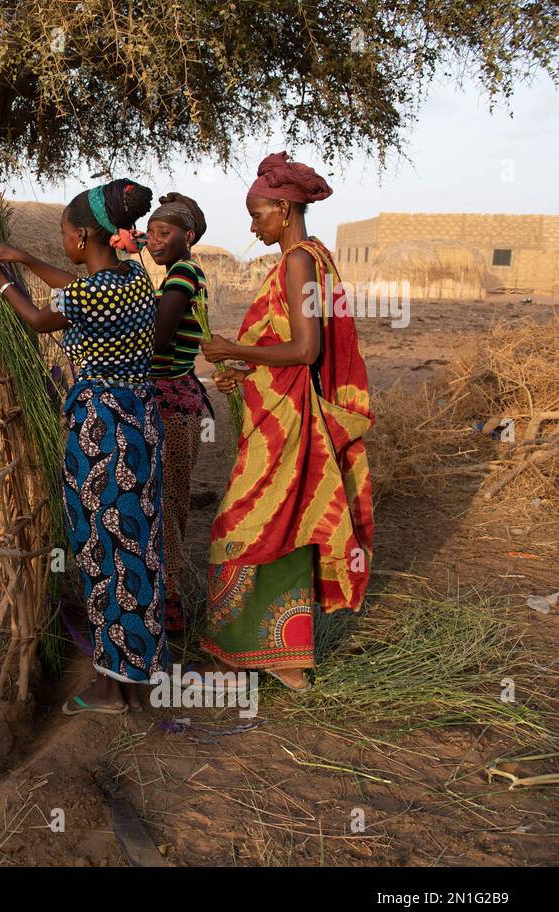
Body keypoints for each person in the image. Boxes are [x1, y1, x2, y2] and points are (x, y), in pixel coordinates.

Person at [0, 178, 165, 713]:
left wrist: (1, 280)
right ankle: (136, 670)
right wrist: (28, 258)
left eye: (63, 236)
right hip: (139, 424)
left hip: (102, 432)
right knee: (137, 548)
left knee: (102, 550)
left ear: (82, 237)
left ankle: (110, 689)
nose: (63, 245)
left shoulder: (92, 293)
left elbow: (39, 319)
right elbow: (74, 289)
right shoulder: (131, 280)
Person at [198, 152, 374, 690]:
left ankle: (252, 650)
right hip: (286, 407)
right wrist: (246, 365)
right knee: (289, 521)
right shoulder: (316, 257)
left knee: (241, 524)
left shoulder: (299, 260)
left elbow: (304, 347)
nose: (253, 226)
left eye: (257, 214)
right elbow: (291, 347)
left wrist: (231, 347)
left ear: (283, 206)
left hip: (291, 417)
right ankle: (285, 655)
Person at [144, 193, 210, 647]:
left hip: (170, 406)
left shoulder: (184, 274)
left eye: (163, 233)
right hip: (178, 401)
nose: (153, 241)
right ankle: (165, 606)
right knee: (168, 503)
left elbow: (160, 340)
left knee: (164, 506)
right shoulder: (179, 276)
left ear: (187, 237)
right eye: (149, 234)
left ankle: (169, 615)